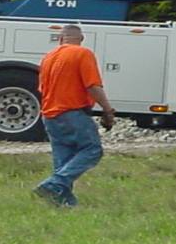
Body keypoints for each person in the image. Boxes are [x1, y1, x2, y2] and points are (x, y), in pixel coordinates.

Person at [33, 24, 115, 206]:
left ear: (60, 39)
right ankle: (53, 184)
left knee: (63, 158)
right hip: (72, 112)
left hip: (49, 114)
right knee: (92, 150)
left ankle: (64, 203)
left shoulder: (48, 58)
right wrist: (107, 109)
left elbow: (42, 89)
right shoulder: (82, 53)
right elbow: (92, 85)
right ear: (81, 39)